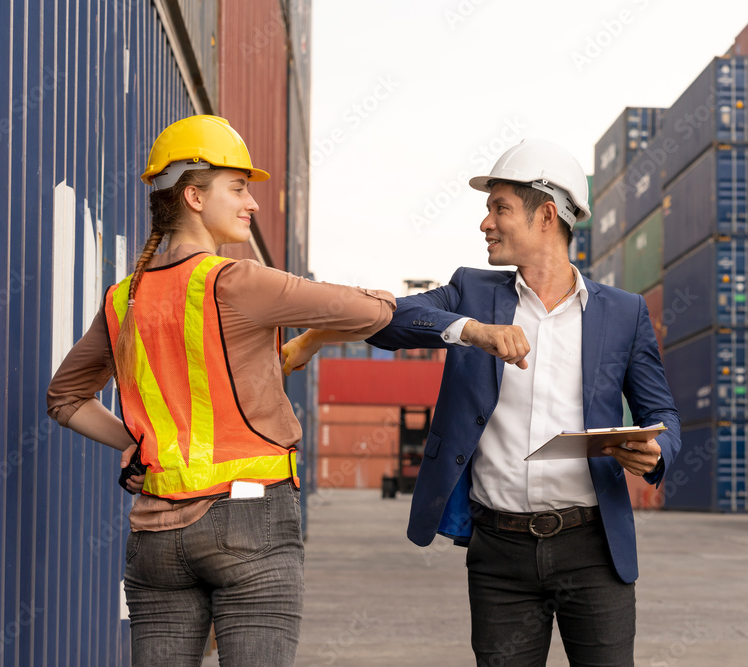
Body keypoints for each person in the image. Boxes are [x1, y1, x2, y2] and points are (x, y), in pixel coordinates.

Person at [283, 138, 680, 666]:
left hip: (594, 550)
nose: (485, 223)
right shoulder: (471, 292)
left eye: (500, 208)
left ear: (546, 215)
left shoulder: (623, 314)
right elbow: (389, 321)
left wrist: (657, 453)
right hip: (500, 551)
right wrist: (471, 331)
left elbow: (664, 417)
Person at [46, 115, 395, 666]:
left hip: (156, 533)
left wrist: (135, 445)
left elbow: (64, 399)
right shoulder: (234, 279)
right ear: (193, 196)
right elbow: (372, 311)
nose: (252, 204)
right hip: (250, 524)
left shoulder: (123, 300)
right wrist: (323, 334)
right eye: (238, 188)